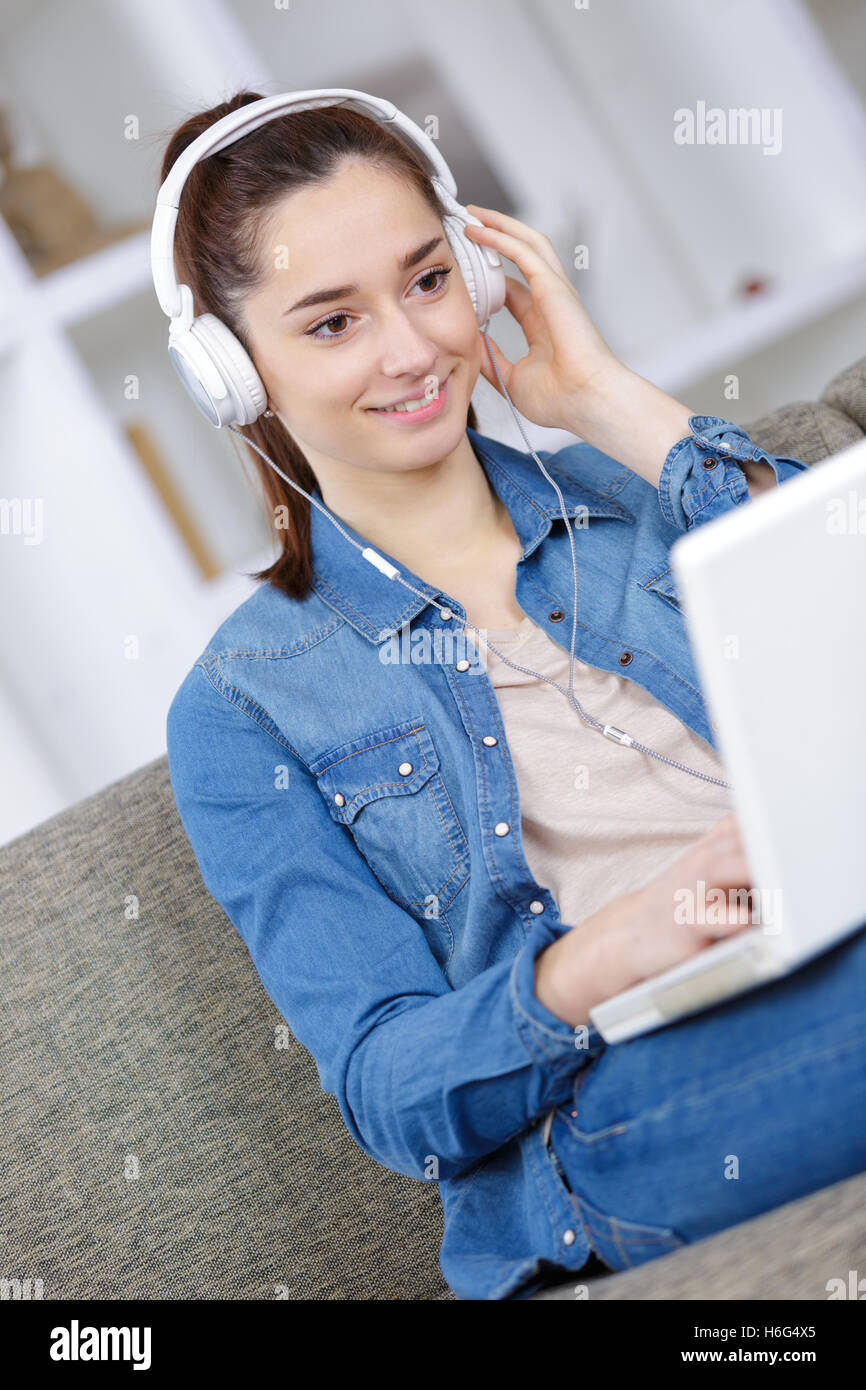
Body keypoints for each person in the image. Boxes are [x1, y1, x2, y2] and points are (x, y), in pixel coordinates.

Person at [162, 91, 866, 1300]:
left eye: (427, 280)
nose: (409, 350)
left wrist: (602, 399)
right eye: (331, 322)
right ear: (232, 374)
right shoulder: (243, 704)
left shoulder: (645, 487)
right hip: (619, 1106)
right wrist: (621, 943)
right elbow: (388, 1088)